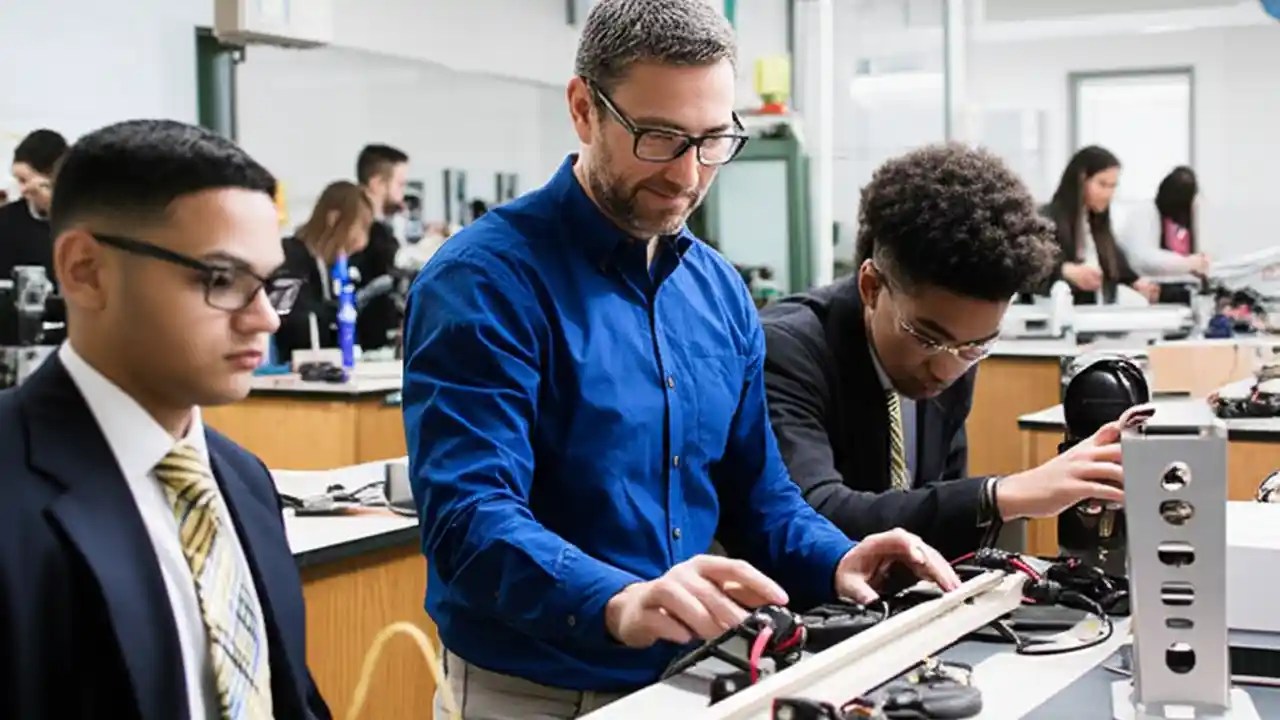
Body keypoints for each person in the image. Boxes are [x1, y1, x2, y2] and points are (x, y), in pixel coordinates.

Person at [401, 2, 960, 717]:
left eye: (712, 140)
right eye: (660, 137)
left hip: (696, 675)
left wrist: (836, 557)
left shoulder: (719, 291)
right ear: (583, 109)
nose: (689, 176)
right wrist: (617, 599)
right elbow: (468, 518)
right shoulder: (484, 282)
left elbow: (760, 495)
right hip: (535, 691)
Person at [0, 119, 330, 719]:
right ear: (85, 271)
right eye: (222, 280)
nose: (266, 320)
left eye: (270, 285)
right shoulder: (12, 493)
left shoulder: (242, 480)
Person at [761, 144, 1128, 561]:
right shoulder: (786, 350)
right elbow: (816, 515)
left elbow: (938, 519)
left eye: (975, 345)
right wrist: (998, 495)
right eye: (925, 337)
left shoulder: (958, 344)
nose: (947, 367)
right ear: (871, 288)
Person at [1041, 145, 1159, 304]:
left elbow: (1119, 267)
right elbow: (1029, 271)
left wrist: (1137, 283)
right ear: (1081, 180)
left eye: (1113, 186)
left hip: (1100, 314)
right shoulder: (1047, 221)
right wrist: (1065, 271)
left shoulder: (1099, 226)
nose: (1108, 193)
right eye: (1102, 184)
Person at [275, 180, 374, 363]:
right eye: (361, 227)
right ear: (334, 219)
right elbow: (296, 326)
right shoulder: (290, 259)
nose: (362, 241)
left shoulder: (327, 269)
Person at [351, 143, 409, 352]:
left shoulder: (385, 230)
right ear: (377, 184)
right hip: (366, 343)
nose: (403, 193)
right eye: (400, 185)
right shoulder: (369, 235)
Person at [0, 128, 67, 281]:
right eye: (17, 180)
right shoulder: (6, 221)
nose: (22, 190)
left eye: (25, 180)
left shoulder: (82, 221)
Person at [1120, 165, 1210, 279]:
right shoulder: (1144, 212)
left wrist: (1199, 261)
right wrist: (1188, 263)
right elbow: (1143, 258)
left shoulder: (1189, 216)